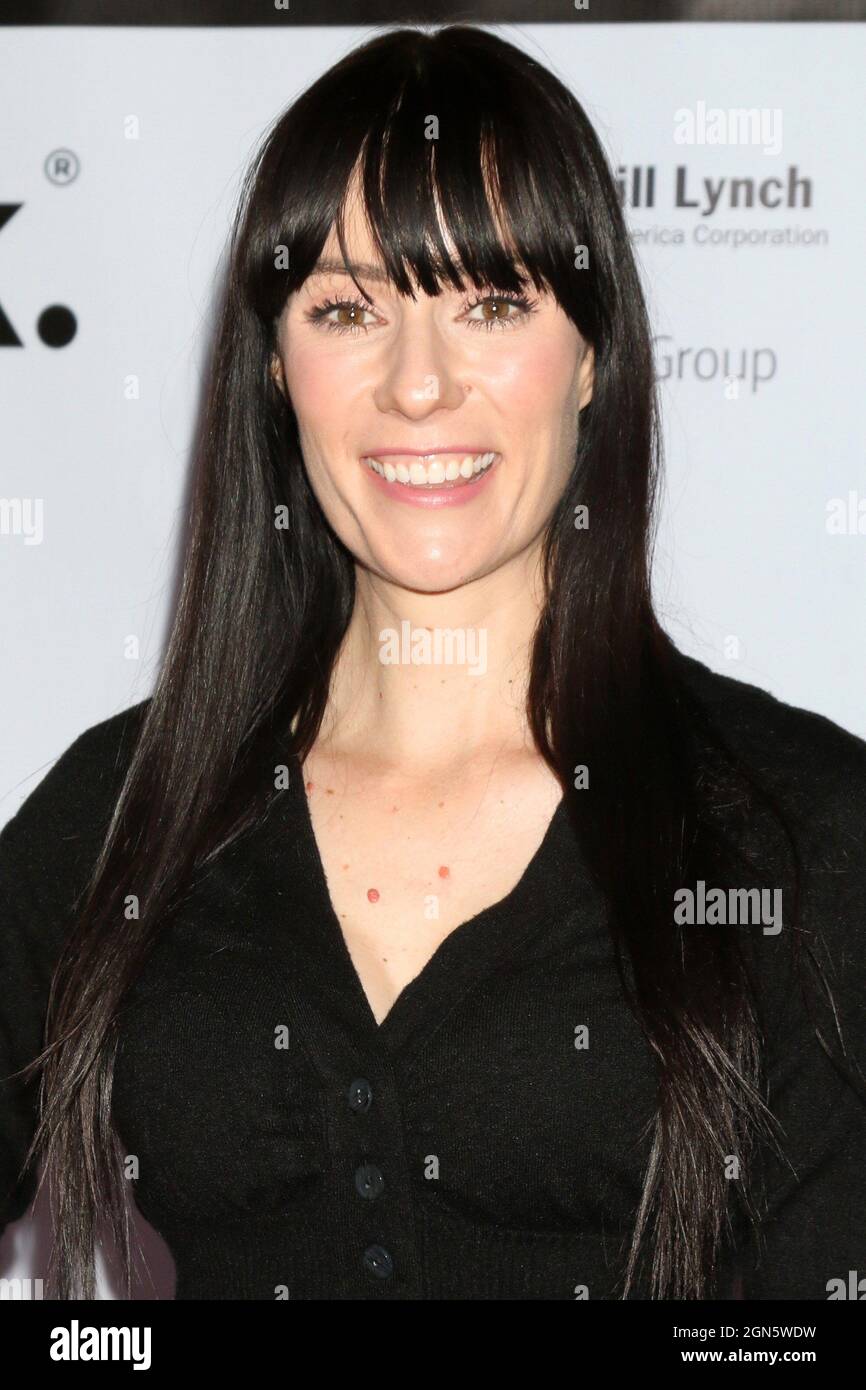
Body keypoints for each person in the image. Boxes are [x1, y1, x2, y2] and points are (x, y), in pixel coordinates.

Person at [1, 23, 864, 1302]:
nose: (418, 384)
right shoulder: (126, 807)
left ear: (590, 357)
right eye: (347, 308)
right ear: (278, 368)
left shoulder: (801, 828)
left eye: (492, 300)